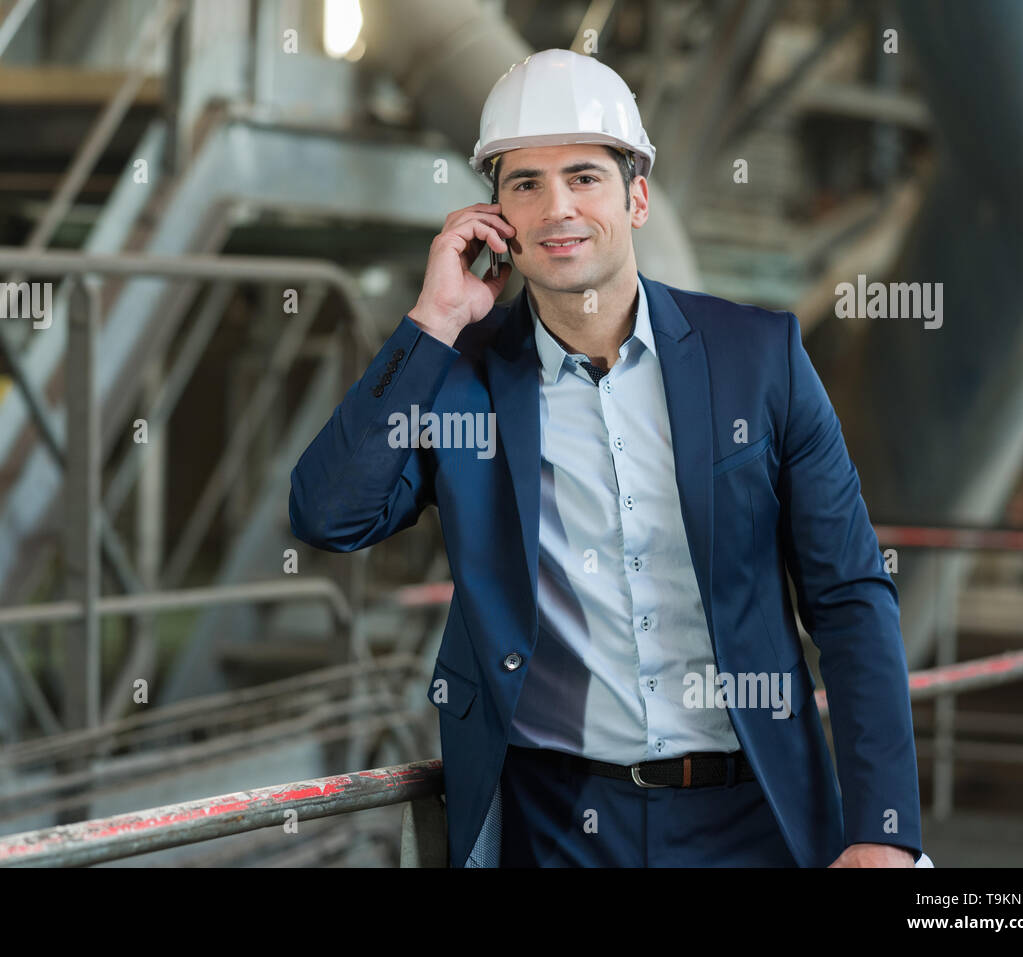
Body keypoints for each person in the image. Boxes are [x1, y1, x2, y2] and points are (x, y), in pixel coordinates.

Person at [289, 48, 922, 867]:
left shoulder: (758, 359)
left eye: (584, 177)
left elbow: (850, 594)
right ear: (496, 220)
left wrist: (883, 831)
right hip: (555, 825)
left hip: (750, 815)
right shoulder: (461, 382)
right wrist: (433, 320)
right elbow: (328, 514)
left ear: (638, 197)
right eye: (525, 184)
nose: (557, 207)